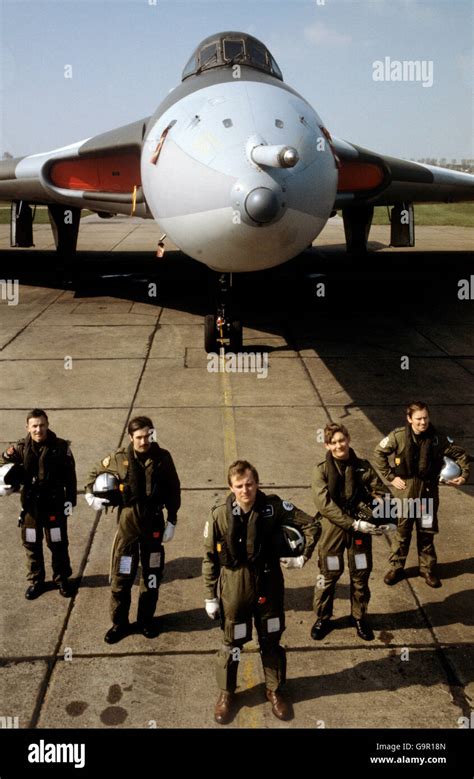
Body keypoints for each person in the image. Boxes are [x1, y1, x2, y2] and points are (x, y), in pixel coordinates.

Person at [203, 459, 320, 725]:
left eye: (250, 484)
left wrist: (303, 557)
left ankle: (274, 690)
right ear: (231, 487)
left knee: (271, 639)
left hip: (269, 581)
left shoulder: (274, 508)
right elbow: (209, 558)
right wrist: (210, 595)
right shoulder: (219, 514)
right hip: (235, 585)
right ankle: (227, 693)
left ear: (257, 483)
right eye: (240, 486)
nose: (246, 490)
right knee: (232, 643)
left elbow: (313, 525)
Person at [84, 416, 181, 643]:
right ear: (131, 437)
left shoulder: (163, 458)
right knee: (121, 580)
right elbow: (92, 475)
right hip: (128, 530)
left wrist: (172, 520)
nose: (144, 441)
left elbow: (173, 490)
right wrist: (91, 496)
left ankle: (146, 620)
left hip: (154, 529)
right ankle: (120, 623)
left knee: (152, 578)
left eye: (148, 435)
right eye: (139, 437)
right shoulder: (119, 459)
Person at [373, 401, 469, 588]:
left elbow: (461, 455)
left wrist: (464, 476)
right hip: (406, 493)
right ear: (409, 419)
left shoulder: (438, 438)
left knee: (426, 533)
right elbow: (379, 453)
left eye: (425, 418)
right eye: (418, 419)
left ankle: (426, 569)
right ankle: (397, 567)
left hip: (427, 495)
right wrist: (391, 477)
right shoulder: (398, 437)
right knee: (402, 532)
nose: (423, 422)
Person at [311, 423, 386, 642]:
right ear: (327, 444)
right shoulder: (321, 470)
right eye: (333, 442)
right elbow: (325, 506)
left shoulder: (362, 467)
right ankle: (323, 618)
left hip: (360, 530)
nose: (338, 445)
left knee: (360, 574)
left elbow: (382, 492)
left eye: (341, 440)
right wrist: (353, 524)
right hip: (333, 530)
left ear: (348, 439)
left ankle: (359, 617)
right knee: (327, 576)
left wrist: (381, 517)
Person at [0, 409, 77, 599]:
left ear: (47, 425)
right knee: (32, 544)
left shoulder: (60, 447)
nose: (38, 429)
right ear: (27, 427)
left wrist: (70, 501)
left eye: (42, 425)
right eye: (34, 426)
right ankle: (37, 581)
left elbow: (71, 477)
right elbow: (3, 462)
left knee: (58, 543)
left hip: (54, 505)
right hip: (30, 507)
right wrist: (7, 477)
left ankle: (62, 579)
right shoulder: (19, 448)